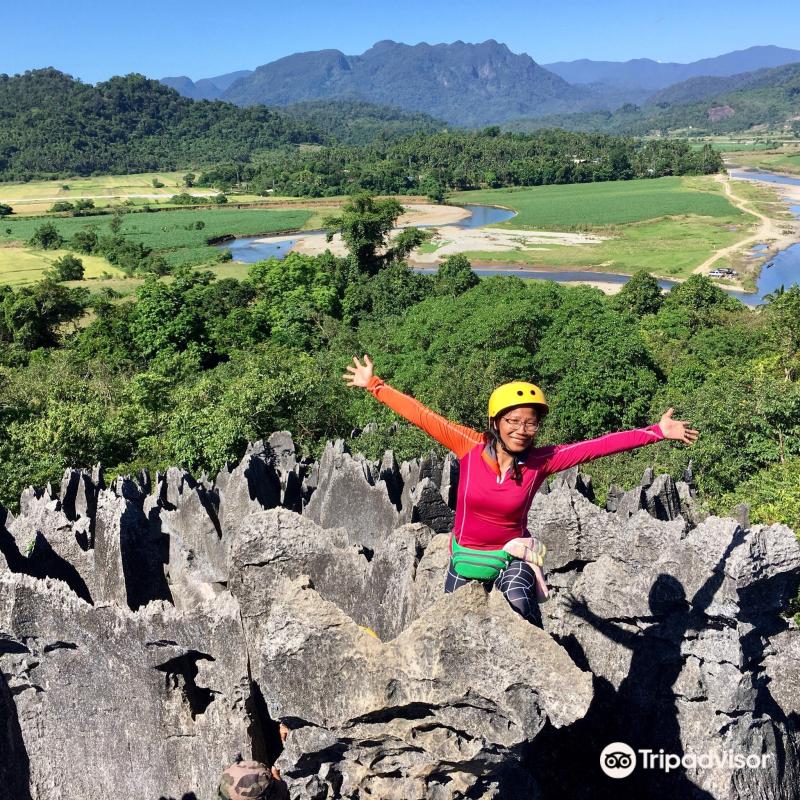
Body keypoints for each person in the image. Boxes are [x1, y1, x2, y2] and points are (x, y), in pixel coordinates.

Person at [343, 355, 698, 628]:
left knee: (515, 604)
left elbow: (599, 445)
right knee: (452, 627)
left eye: (531, 422)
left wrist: (656, 431)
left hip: (510, 557)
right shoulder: (467, 444)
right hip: (465, 558)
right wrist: (374, 384)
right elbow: (422, 415)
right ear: (495, 423)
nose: (522, 429)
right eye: (513, 421)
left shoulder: (541, 461)